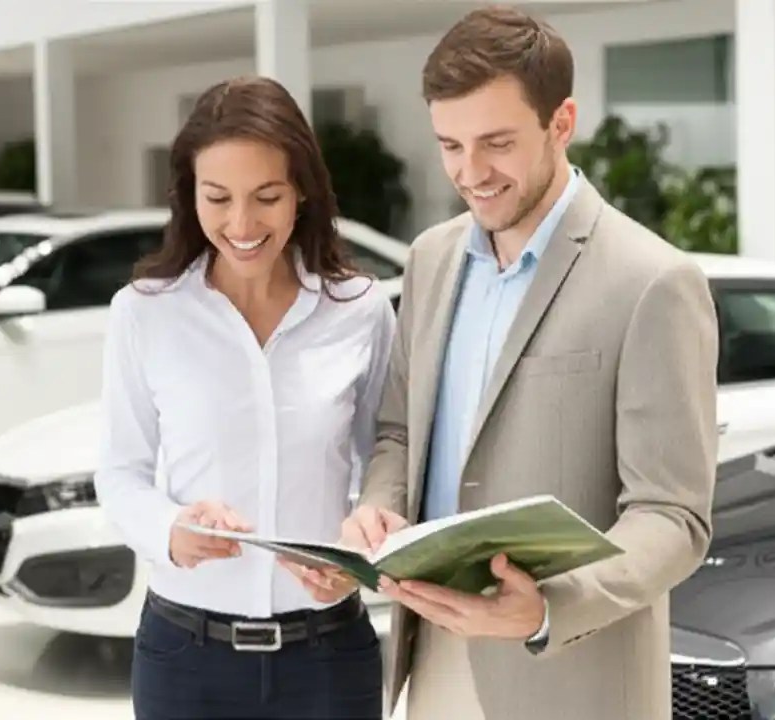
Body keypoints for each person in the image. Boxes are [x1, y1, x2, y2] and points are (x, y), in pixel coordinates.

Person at [284, 5, 719, 720]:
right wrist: (375, 511)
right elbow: (398, 432)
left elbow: (672, 517)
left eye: (496, 143)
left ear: (562, 122)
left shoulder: (654, 281)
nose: (470, 172)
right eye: (450, 145)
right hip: (433, 663)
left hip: (571, 676)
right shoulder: (430, 260)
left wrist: (547, 606)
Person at [93, 75, 396, 720]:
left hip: (329, 661)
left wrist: (359, 554)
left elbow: (387, 467)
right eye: (217, 197)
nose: (241, 224)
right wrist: (170, 529)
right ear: (188, 196)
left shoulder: (361, 311)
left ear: (302, 193)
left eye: (266, 196)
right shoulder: (144, 314)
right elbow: (120, 472)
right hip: (185, 661)